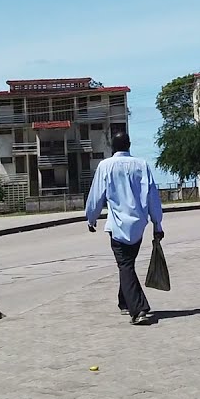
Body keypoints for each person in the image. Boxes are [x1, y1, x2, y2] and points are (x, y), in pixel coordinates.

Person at [85, 132, 164, 326]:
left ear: (113, 146)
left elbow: (96, 196)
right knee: (127, 264)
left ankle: (138, 309)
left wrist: (91, 218)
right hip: (138, 226)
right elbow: (152, 196)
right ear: (129, 145)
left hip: (117, 225)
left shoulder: (105, 166)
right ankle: (124, 302)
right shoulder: (142, 165)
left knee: (125, 266)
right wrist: (157, 223)